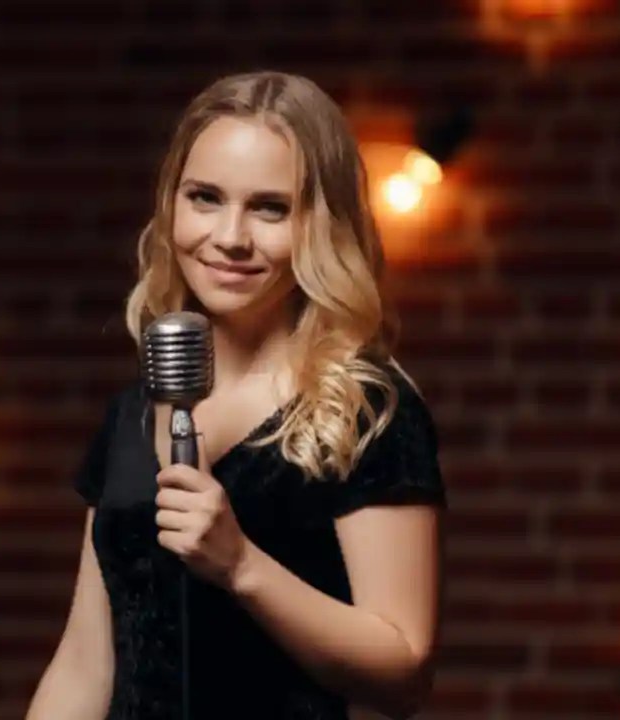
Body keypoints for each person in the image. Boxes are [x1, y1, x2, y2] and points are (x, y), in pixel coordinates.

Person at [26, 70, 447, 720]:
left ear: (320, 223)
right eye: (204, 198)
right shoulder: (135, 413)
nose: (230, 236)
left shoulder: (365, 410)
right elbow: (86, 663)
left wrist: (242, 564)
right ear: (171, 204)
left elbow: (404, 669)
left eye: (270, 208)